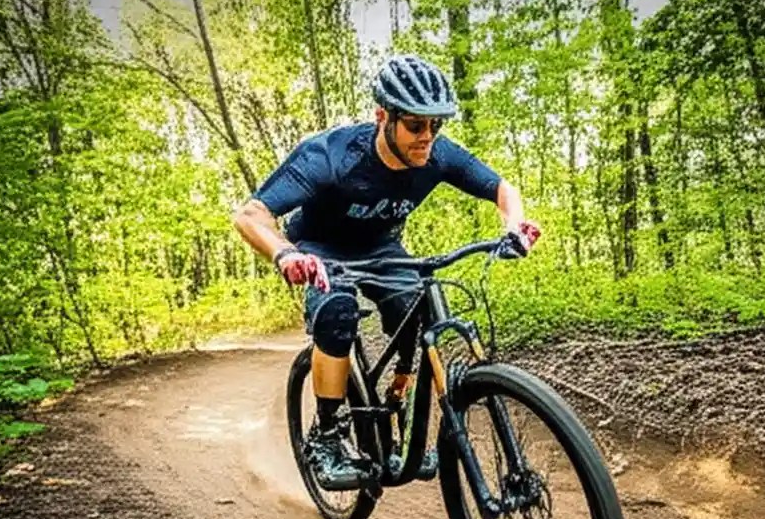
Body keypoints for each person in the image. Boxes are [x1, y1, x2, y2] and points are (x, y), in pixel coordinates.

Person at [232, 54, 541, 491]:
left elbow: (502, 188)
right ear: (383, 117)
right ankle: (326, 436)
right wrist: (285, 255)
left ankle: (397, 418)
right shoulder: (331, 156)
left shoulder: (437, 155)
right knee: (337, 311)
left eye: (436, 125)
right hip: (321, 248)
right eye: (415, 125)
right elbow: (250, 214)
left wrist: (515, 226)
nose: (427, 137)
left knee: (417, 312)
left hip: (382, 248)